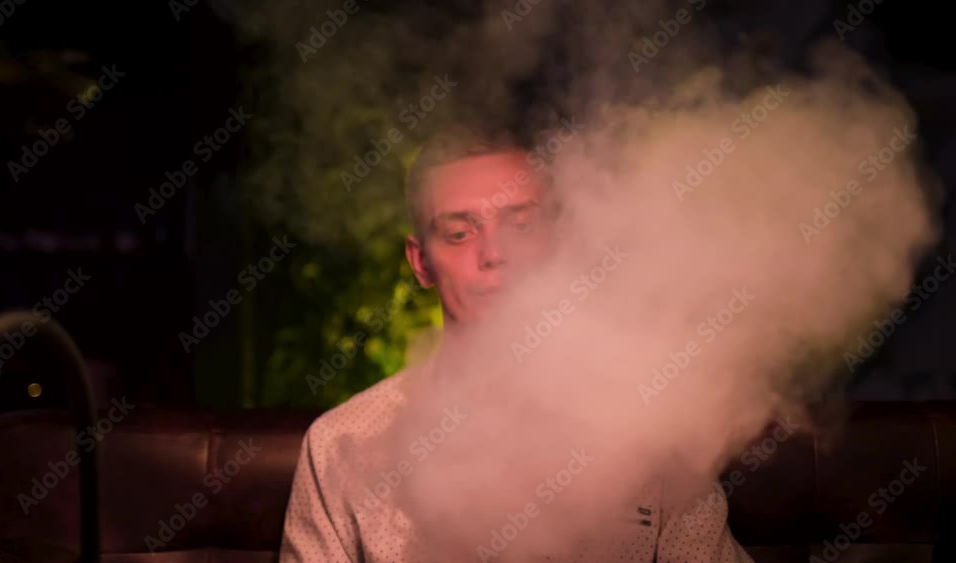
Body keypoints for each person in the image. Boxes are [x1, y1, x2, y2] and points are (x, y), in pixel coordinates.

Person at [280, 125, 753, 562]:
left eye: (521, 225)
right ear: (421, 261)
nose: (494, 253)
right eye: (459, 233)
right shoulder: (343, 447)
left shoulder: (644, 431)